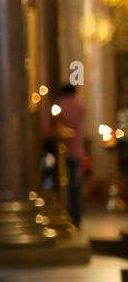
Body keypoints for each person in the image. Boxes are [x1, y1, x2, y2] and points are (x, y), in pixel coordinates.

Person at [41, 84, 86, 227]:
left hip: (62, 150)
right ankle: (77, 218)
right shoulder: (80, 106)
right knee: (76, 185)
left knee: (62, 183)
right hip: (77, 150)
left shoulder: (58, 106)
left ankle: (65, 214)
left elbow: (46, 129)